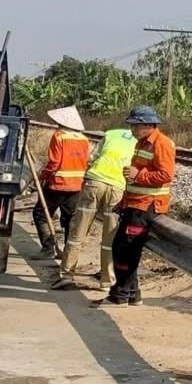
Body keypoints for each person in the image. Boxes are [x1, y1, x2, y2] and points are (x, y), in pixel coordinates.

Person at [93, 106, 175, 307]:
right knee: (124, 249)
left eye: (135, 126)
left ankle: (120, 295)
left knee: (125, 250)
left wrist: (139, 176)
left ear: (148, 124)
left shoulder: (161, 144)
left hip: (146, 207)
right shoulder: (142, 143)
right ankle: (131, 293)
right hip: (134, 204)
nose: (132, 130)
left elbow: (166, 176)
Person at [51, 124, 137, 291]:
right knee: (110, 237)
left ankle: (66, 275)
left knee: (78, 231)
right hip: (117, 188)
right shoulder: (139, 141)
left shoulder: (111, 133)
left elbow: (92, 158)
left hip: (94, 183)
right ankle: (107, 281)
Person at [32, 106, 91, 260]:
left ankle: (48, 248)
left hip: (58, 184)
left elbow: (54, 162)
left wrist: (43, 174)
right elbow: (87, 161)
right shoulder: (84, 139)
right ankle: (68, 253)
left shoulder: (59, 137)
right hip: (77, 185)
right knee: (70, 218)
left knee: (41, 213)